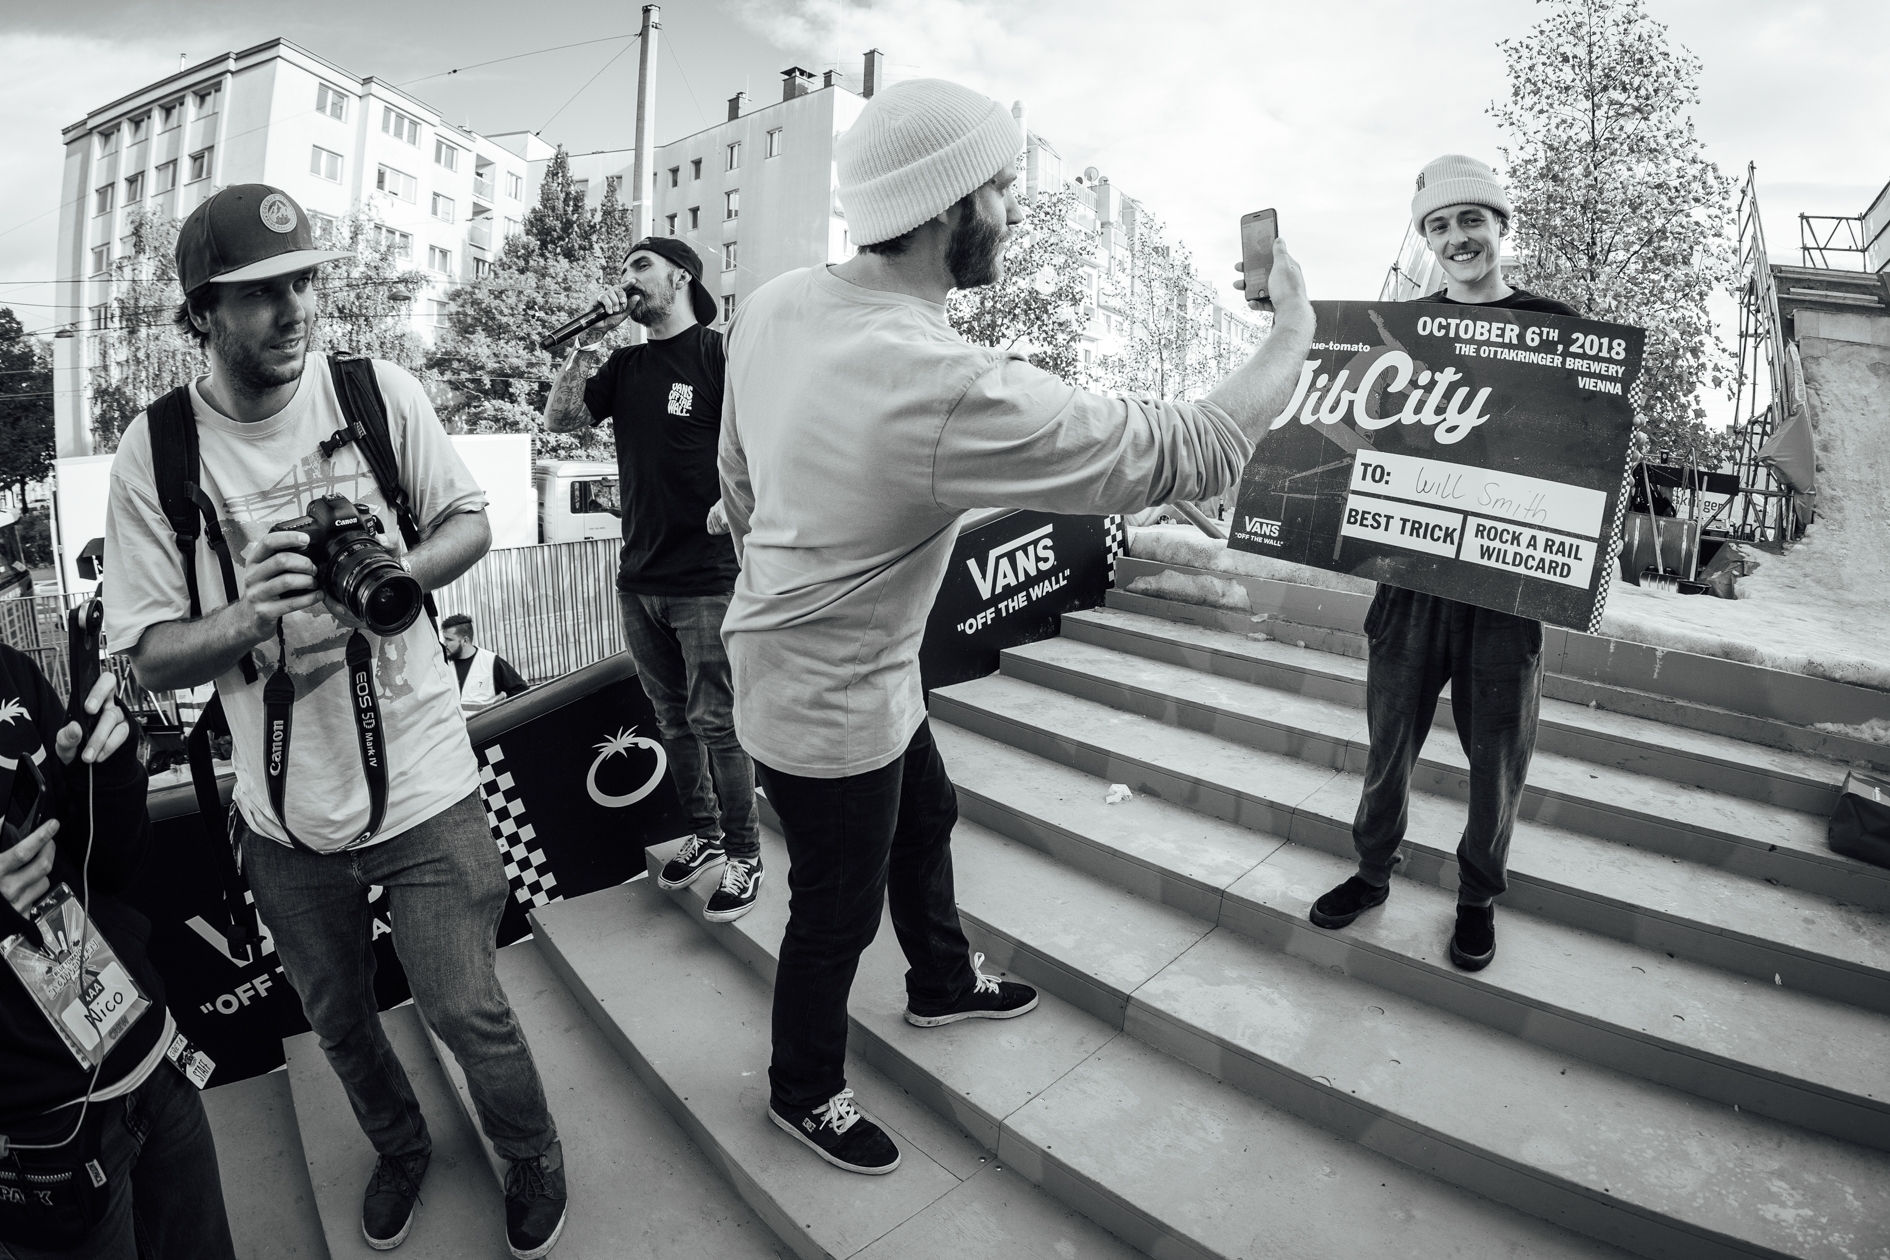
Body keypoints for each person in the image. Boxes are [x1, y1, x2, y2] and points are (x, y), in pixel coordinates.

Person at [718, 78, 1315, 1176]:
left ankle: (942, 982)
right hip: (827, 699)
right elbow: (1191, 450)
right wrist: (1293, 330)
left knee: (928, 817)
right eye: (1000, 185)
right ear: (946, 207)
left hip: (836, 659)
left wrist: (808, 550)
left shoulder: (777, 302)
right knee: (834, 909)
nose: (1014, 206)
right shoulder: (938, 382)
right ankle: (803, 1091)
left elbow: (739, 477)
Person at [102, 185, 566, 1259]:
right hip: (283, 815)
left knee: (465, 1006)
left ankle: (531, 1149)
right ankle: (400, 1148)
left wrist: (397, 570)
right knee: (339, 1021)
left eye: (305, 280)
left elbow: (468, 521)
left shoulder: (373, 390)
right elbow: (146, 652)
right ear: (201, 314)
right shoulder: (156, 451)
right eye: (261, 293)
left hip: (428, 778)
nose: (296, 308)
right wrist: (248, 614)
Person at [1307, 155, 1580, 972]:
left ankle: (1476, 899)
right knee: (1387, 742)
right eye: (1438, 225)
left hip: (1503, 587)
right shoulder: (1400, 330)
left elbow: (1582, 454)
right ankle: (1371, 873)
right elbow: (1349, 434)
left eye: (1470, 220)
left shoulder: (1555, 325)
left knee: (1497, 758)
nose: (1456, 237)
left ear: (1500, 226)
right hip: (1410, 580)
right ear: (1425, 239)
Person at [542, 237, 761, 924]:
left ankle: (745, 855)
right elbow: (562, 420)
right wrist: (585, 345)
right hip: (639, 578)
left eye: (640, 266)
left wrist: (737, 499)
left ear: (681, 277)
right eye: (624, 269)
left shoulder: (721, 355)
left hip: (707, 575)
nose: (627, 280)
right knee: (672, 720)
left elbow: (770, 438)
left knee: (716, 721)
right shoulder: (625, 364)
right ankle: (705, 836)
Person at [0, 657, 235, 1260]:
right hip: (45, 1132)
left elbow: (108, 866)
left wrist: (112, 768)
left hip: (150, 1059)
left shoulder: (10, 670)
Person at [441, 614, 528, 715]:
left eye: (449, 639)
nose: (444, 643)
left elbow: (521, 692)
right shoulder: (443, 664)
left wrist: (503, 714)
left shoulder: (491, 661)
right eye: (445, 639)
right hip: (453, 725)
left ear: (465, 640)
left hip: (485, 724)